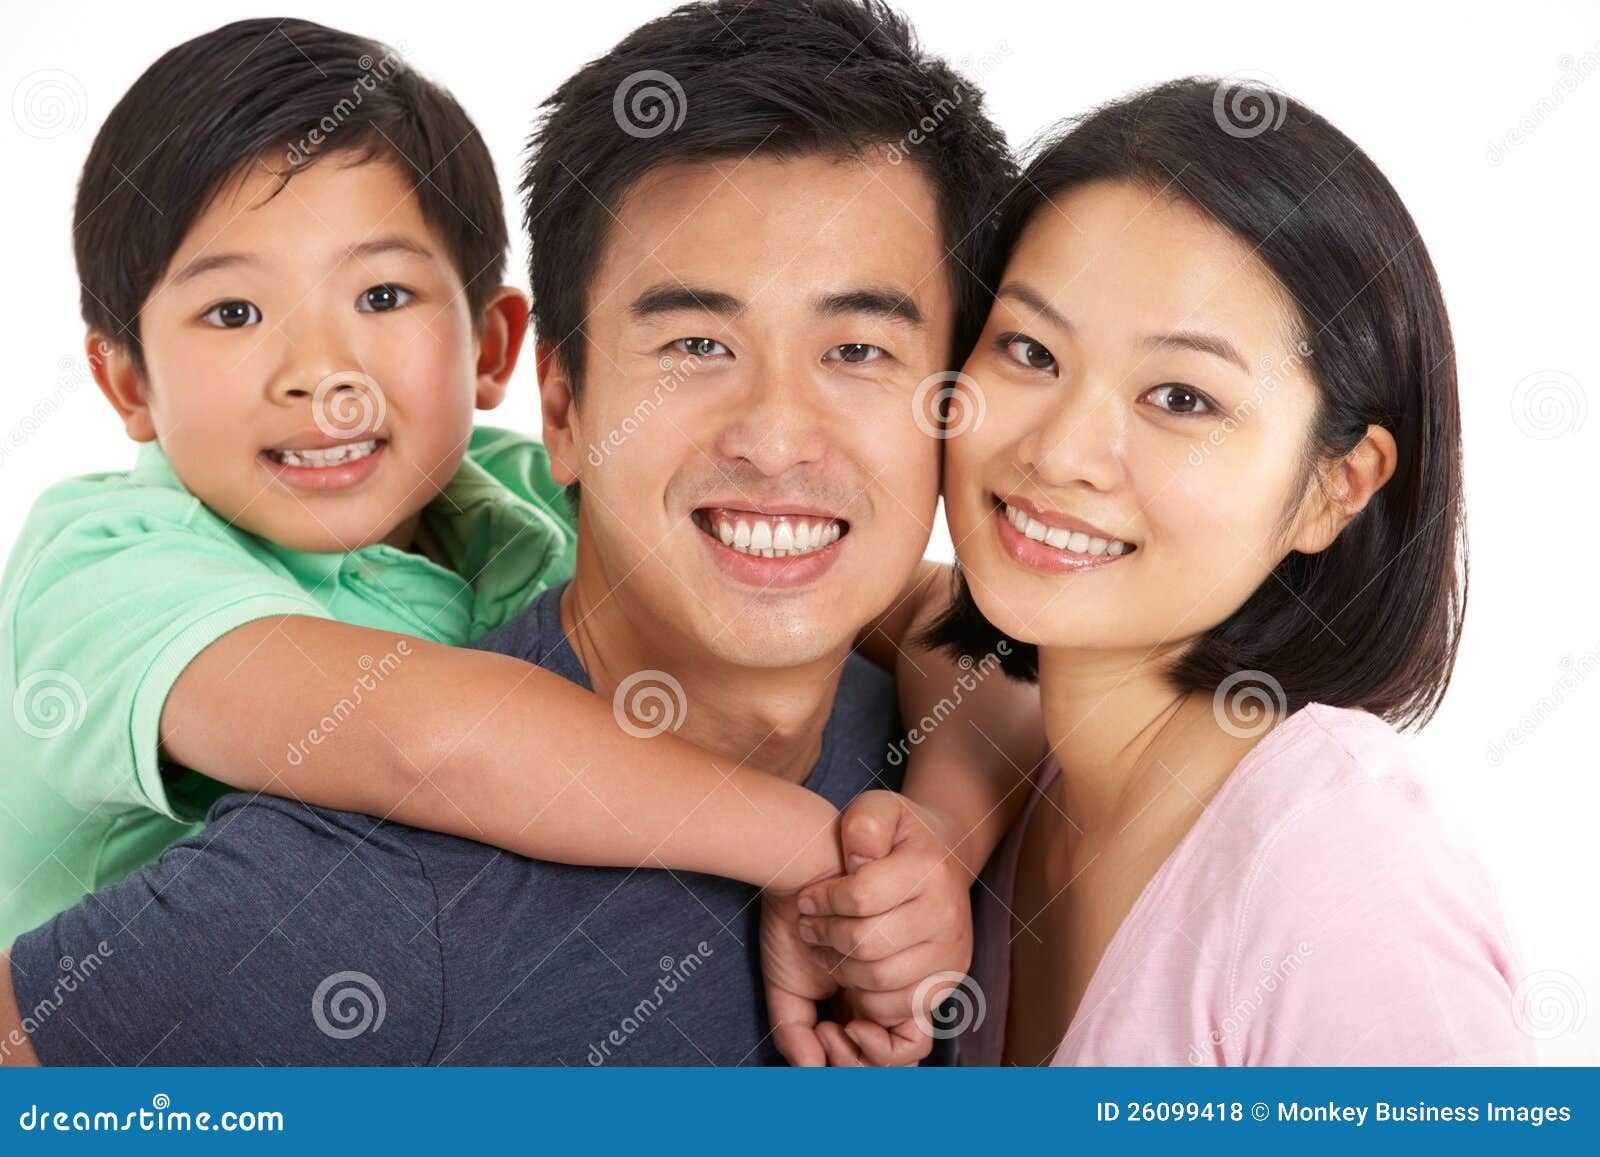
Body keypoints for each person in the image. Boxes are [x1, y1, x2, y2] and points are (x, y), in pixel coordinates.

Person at [0, 0, 1041, 1066]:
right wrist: (821, 862)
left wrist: (926, 851)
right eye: (695, 340)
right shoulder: (115, 573)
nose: (775, 439)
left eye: (860, 349)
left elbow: (956, 615)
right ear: (566, 408)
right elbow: (429, 741)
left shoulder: (499, 505)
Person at [802, 77, 1534, 1066]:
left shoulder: (1341, 861)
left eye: (1181, 397)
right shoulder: (1036, 795)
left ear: (1335, 485)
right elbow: (886, 588)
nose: (1060, 451)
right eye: (1028, 348)